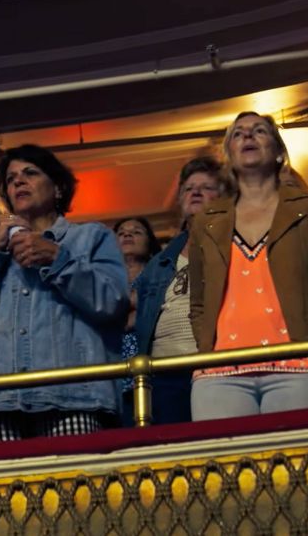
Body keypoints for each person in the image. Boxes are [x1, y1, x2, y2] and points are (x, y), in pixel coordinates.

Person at [0, 144, 128, 442]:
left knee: (73, 474)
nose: (18, 181)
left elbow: (112, 303)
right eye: (11, 178)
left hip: (73, 396)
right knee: (0, 476)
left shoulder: (91, 237)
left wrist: (58, 259)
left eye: (30, 173)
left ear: (58, 188)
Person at [189, 113, 308, 421]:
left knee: (296, 451)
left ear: (279, 151)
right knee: (226, 452)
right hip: (220, 370)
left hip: (302, 364)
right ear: (228, 155)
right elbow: (198, 301)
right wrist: (206, 346)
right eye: (238, 134)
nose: (248, 136)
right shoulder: (206, 221)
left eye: (259, 131)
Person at [123, 157, 224, 425]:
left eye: (206, 187)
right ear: (180, 200)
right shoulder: (159, 263)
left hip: (214, 365)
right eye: (189, 188)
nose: (196, 192)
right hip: (164, 373)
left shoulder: (233, 246)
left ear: (224, 197)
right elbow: (133, 313)